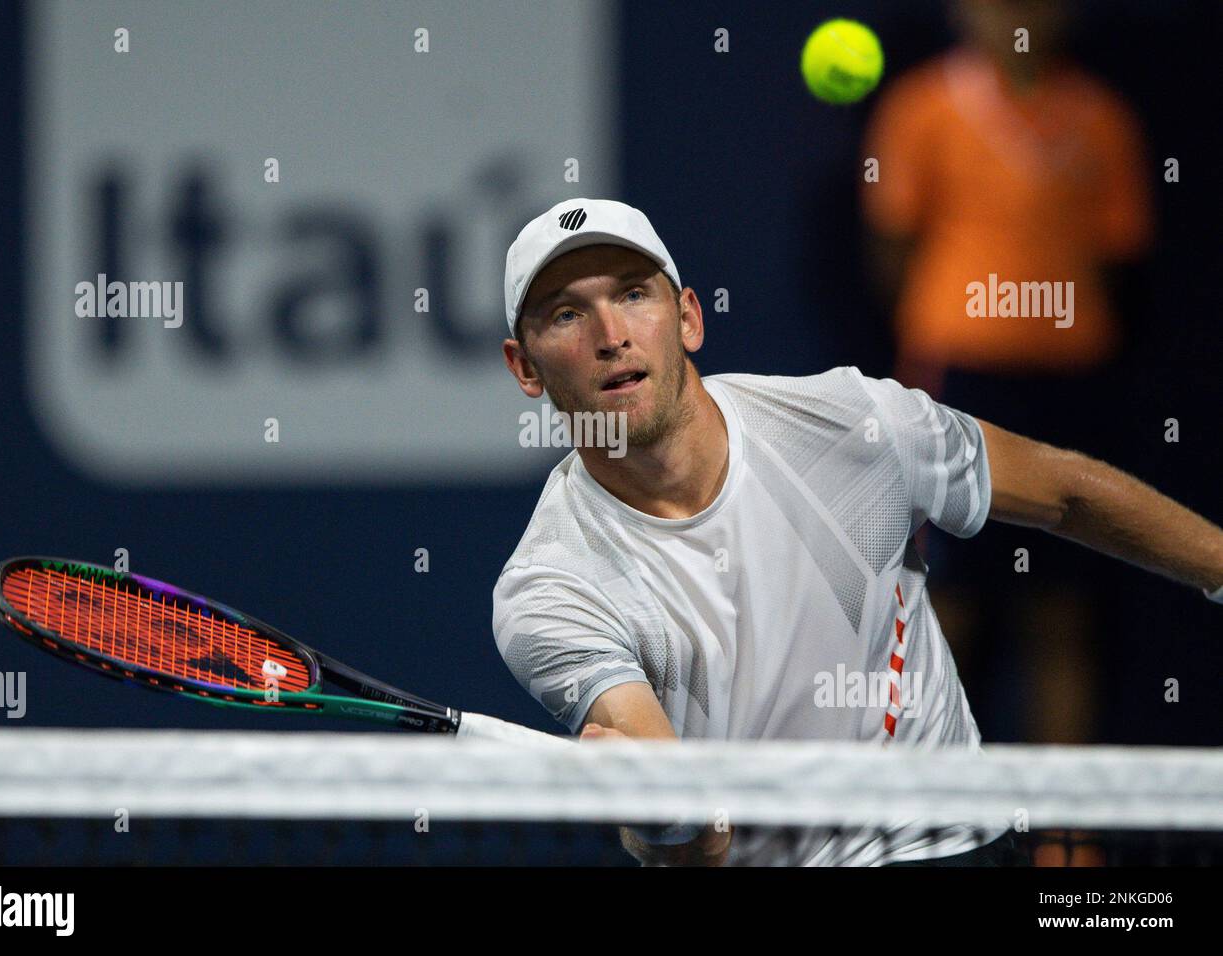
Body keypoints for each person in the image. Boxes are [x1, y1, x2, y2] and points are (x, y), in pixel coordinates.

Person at [492, 198, 1221, 866]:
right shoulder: (551, 585)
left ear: (687, 318)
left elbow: (1062, 492)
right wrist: (654, 814)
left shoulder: (858, 427)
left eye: (631, 294)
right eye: (565, 315)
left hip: (944, 850)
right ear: (524, 367)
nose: (611, 336)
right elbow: (701, 840)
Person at [861, 0, 1154, 752]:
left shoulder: (1103, 119)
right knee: (946, 607)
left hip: (1071, 385)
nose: (1016, 14)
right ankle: (929, 822)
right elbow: (891, 246)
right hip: (960, 383)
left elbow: (1119, 254)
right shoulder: (921, 108)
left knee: (1064, 614)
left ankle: (1066, 845)